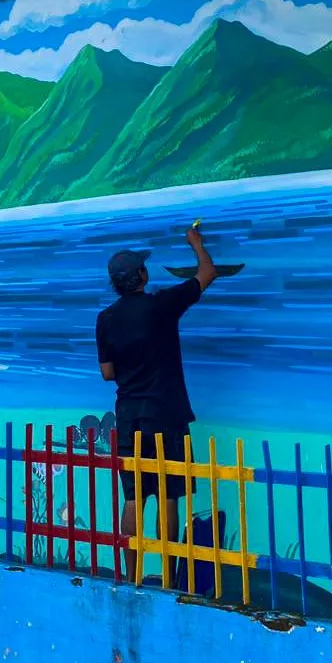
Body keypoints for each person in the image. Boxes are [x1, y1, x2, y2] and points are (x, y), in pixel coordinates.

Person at [95, 222, 219, 583]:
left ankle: (131, 575)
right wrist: (196, 244)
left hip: (130, 417)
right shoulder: (162, 305)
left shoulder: (106, 319)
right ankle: (165, 575)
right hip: (166, 415)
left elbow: (107, 372)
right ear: (142, 275)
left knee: (135, 496)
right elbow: (207, 274)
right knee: (169, 492)